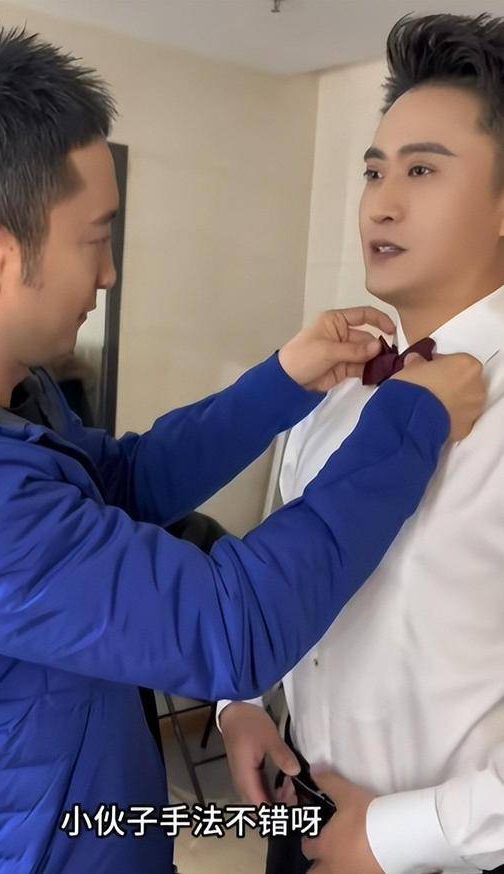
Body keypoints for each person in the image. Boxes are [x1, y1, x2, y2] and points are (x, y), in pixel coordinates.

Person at [0, 24, 484, 874]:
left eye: (422, 170)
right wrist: (409, 424)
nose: (109, 273)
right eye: (95, 237)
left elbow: (124, 480)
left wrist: (280, 382)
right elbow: (230, 624)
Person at [218, 12, 504, 874]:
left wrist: (392, 835)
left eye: (422, 169)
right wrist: (242, 700)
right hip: (301, 819)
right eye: (375, 171)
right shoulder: (340, 383)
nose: (380, 202)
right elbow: (282, 567)